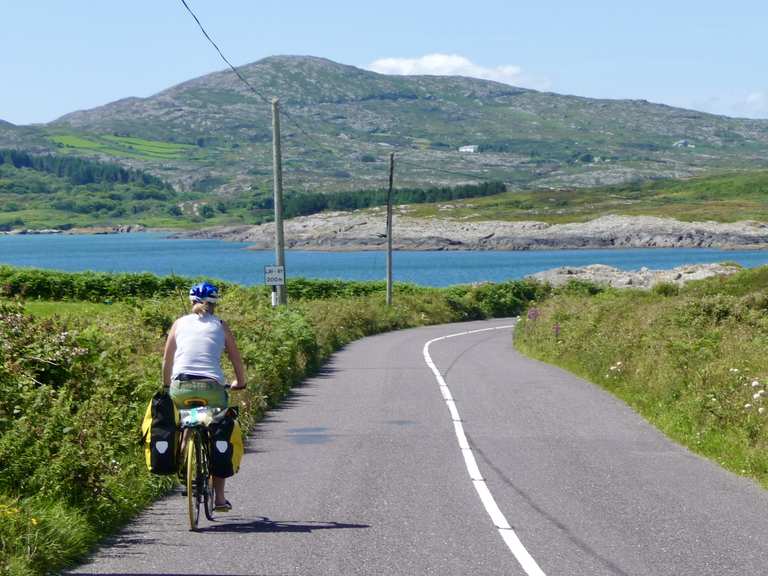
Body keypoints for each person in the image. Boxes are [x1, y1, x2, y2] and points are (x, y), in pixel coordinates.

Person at [162, 281, 246, 511]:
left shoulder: (178, 324)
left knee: (184, 419)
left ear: (191, 302)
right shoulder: (220, 325)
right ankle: (219, 498)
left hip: (181, 387)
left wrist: (166, 385)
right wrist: (240, 382)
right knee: (219, 432)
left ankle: (183, 458)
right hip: (212, 389)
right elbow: (235, 359)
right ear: (214, 304)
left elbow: (167, 360)